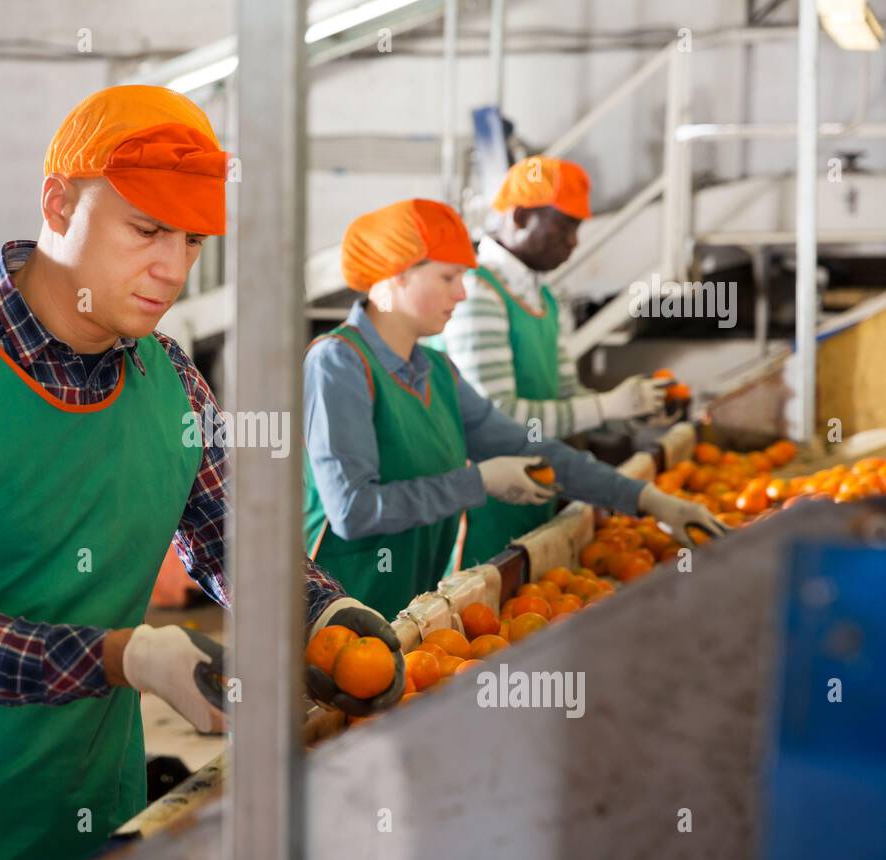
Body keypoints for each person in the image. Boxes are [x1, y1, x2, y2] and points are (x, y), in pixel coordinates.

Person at [0, 85, 398, 860]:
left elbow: (234, 545)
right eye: (147, 229)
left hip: (83, 816)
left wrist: (324, 613)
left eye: (195, 241)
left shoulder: (170, 379)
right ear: (58, 204)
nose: (174, 269)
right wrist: (121, 657)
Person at [303, 198, 724, 618]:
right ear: (396, 276)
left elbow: (528, 446)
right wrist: (480, 480)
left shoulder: (436, 370)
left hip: (405, 616)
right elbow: (354, 511)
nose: (462, 292)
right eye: (448, 277)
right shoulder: (338, 362)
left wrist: (649, 500)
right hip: (336, 617)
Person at [429, 155, 673, 564]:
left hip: (537, 489)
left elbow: (567, 396)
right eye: (565, 226)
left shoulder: (545, 299)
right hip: (482, 508)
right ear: (522, 216)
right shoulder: (475, 293)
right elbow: (499, 418)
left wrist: (630, 411)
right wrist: (605, 406)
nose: (574, 243)